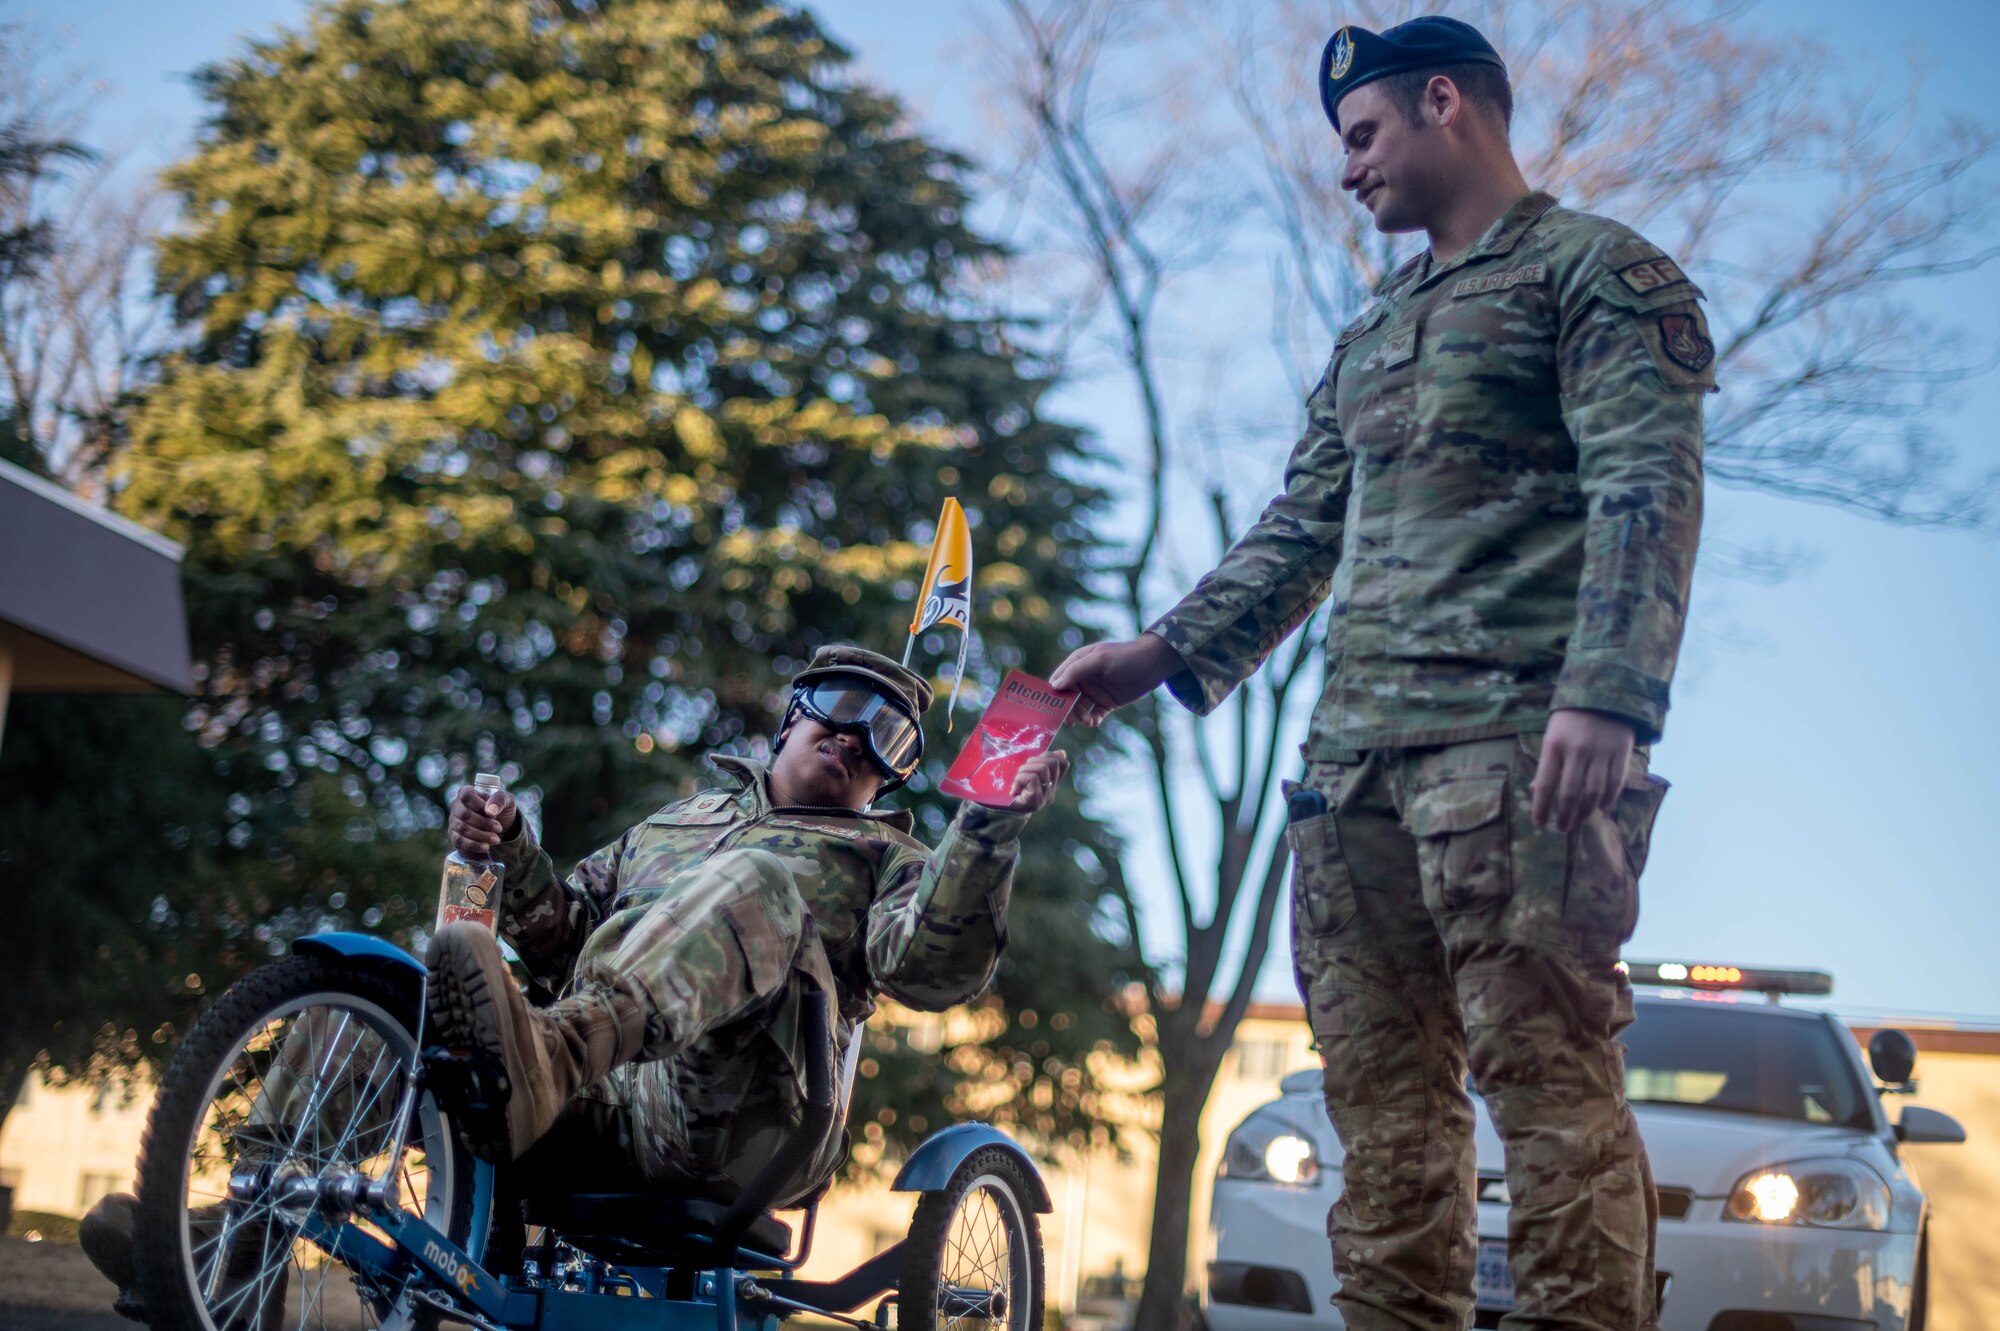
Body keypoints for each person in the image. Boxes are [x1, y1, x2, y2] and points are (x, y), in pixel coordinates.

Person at [1051, 16, 1709, 1331]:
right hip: (1349, 782)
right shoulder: (1373, 328)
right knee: (1383, 1121)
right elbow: (1301, 528)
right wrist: (1160, 651)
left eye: (1362, 135)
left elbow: (1645, 481)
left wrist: (1607, 693)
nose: (1347, 167)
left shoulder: (1593, 272)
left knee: (1549, 1089)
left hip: (1512, 762)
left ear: (1443, 103)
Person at [81, 644, 1068, 1303]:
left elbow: (930, 967)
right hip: (597, 1097)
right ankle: (232, 1245)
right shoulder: (673, 826)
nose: (857, 736)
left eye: (889, 737)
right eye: (843, 709)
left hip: (744, 1115)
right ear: (790, 719)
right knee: (389, 1005)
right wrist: (507, 847)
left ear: (893, 773)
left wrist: (986, 830)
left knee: (757, 881)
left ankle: (545, 1056)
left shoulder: (889, 859)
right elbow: (563, 933)